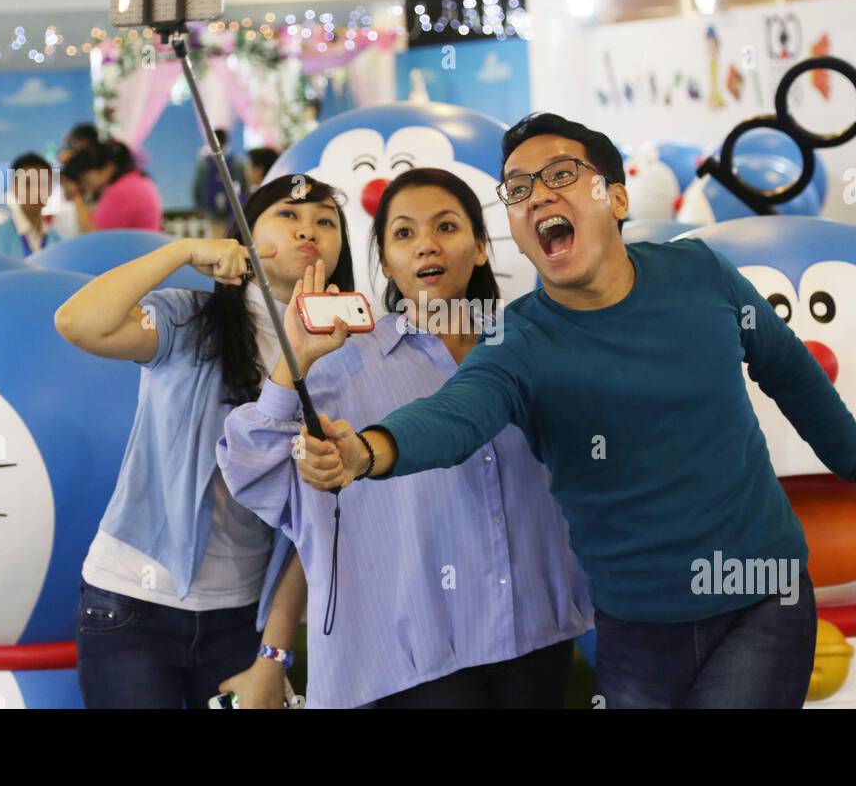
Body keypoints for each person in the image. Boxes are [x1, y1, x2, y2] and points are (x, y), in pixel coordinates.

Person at [293, 113, 856, 709]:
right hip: (633, 626)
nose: (538, 195)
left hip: (760, 600)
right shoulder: (519, 340)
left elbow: (791, 371)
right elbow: (456, 416)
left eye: (561, 176)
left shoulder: (700, 274)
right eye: (518, 190)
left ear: (618, 199)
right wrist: (366, 450)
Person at [219, 167, 592, 709]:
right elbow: (253, 472)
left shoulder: (529, 346)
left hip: (538, 633)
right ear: (386, 264)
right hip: (417, 659)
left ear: (481, 247)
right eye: (403, 234)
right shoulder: (340, 364)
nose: (426, 246)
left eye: (446, 227)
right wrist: (291, 366)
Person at [54, 174, 355, 709]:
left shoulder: (344, 358)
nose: (309, 228)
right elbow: (79, 323)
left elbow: (313, 525)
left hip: (242, 617)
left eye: (326, 222)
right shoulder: (189, 318)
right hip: (131, 602)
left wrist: (274, 655)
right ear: (243, 237)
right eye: (289, 214)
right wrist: (182, 250)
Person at [62, 139, 163, 233]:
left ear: (108, 169)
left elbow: (91, 237)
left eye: (85, 175)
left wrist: (76, 195)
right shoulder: (134, 180)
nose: (83, 182)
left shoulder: (123, 191)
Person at [0, 152, 62, 257]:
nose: (37, 191)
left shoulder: (57, 240)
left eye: (43, 184)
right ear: (14, 188)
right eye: (28, 184)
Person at [191, 128, 247, 236]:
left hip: (212, 212)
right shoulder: (237, 162)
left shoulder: (204, 163)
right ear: (227, 141)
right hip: (234, 212)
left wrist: (200, 207)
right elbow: (243, 186)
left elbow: (197, 188)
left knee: (216, 240)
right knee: (233, 238)